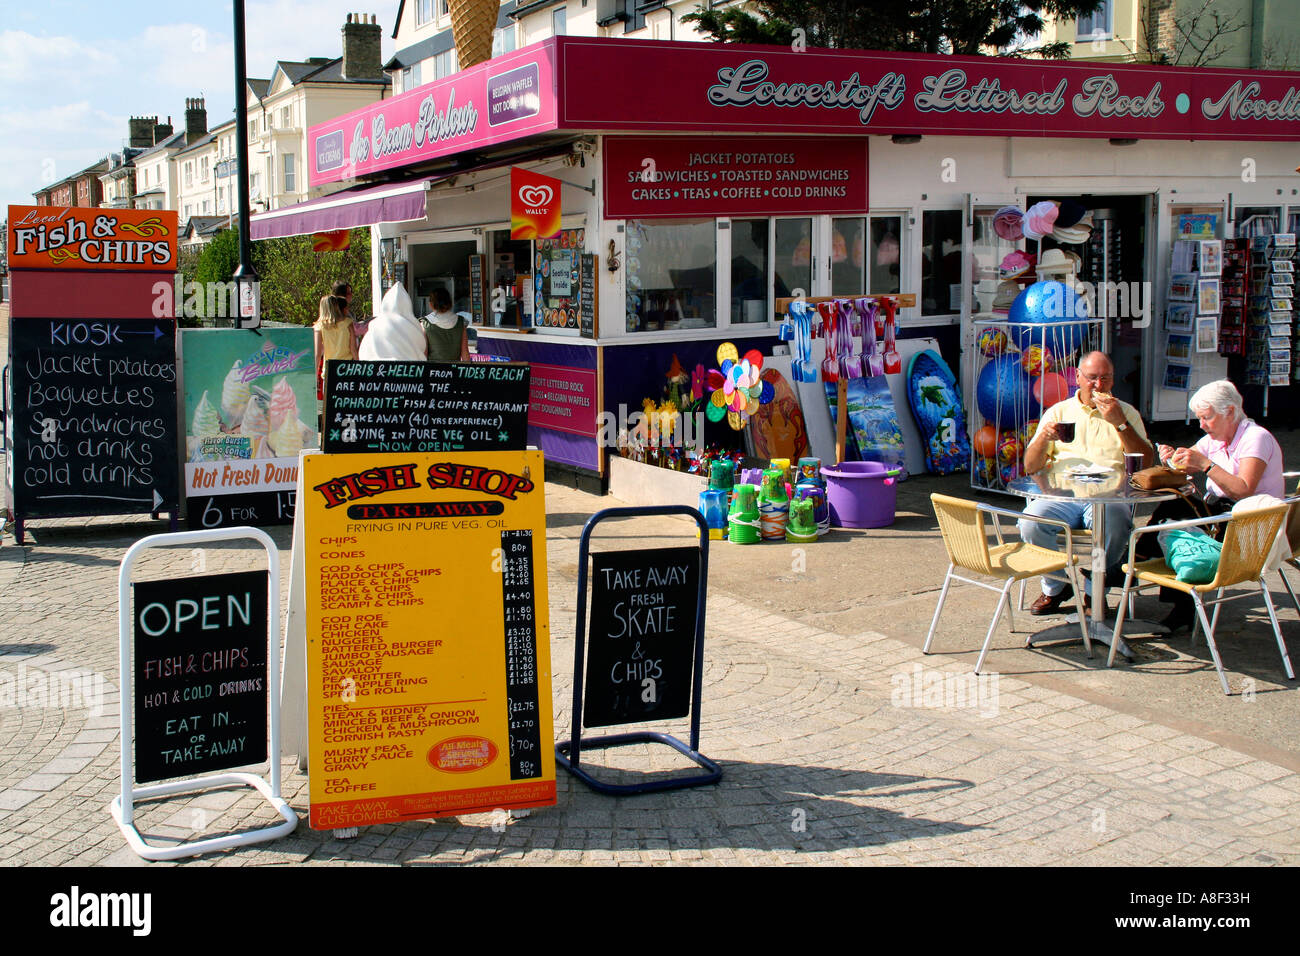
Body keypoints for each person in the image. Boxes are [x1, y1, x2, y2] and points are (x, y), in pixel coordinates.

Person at [1019, 351, 1155, 615]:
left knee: (1114, 523)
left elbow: (1146, 461)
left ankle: (1095, 590)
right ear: (1078, 377)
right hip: (1064, 494)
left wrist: (1121, 424)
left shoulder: (1126, 412)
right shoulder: (1059, 412)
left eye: (1105, 378)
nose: (1098, 385)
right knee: (1030, 522)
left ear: (1112, 381)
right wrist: (1043, 440)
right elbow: (1031, 466)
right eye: (1092, 378)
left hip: (1109, 494)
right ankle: (1057, 586)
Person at [1144, 379, 1285, 630]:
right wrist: (1172, 458)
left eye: (1206, 418)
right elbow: (1188, 461)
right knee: (1173, 509)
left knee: (1172, 517)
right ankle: (1139, 567)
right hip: (1223, 515)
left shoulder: (1256, 437)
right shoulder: (1218, 438)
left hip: (1251, 526)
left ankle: (1126, 567)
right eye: (1199, 418)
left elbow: (1244, 490)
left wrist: (1206, 465)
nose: (1201, 425)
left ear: (1229, 411)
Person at [359, 284, 427, 361]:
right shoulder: (414, 326)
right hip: (406, 371)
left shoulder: (375, 325)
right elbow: (421, 352)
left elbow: (364, 352)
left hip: (377, 370)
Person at [313, 294, 357, 398]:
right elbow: (353, 349)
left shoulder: (319, 327)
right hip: (348, 369)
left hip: (329, 371)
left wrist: (315, 376)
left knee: (330, 408)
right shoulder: (348, 323)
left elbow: (318, 354)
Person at [420, 288, 470, 363]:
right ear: (450, 303)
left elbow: (424, 354)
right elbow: (465, 354)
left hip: (433, 371)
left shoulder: (425, 324)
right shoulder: (460, 322)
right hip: (454, 370)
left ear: (431, 304)